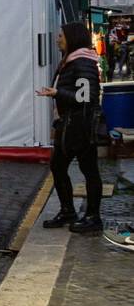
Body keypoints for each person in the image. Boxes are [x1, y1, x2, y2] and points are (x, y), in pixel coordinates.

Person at [38, 22, 103, 234]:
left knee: (89, 170)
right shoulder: (71, 60)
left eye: (61, 36)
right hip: (68, 123)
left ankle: (93, 217)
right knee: (58, 166)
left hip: (79, 125)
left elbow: (86, 97)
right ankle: (68, 211)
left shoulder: (82, 62)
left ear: (72, 38)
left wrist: (57, 94)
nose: (57, 39)